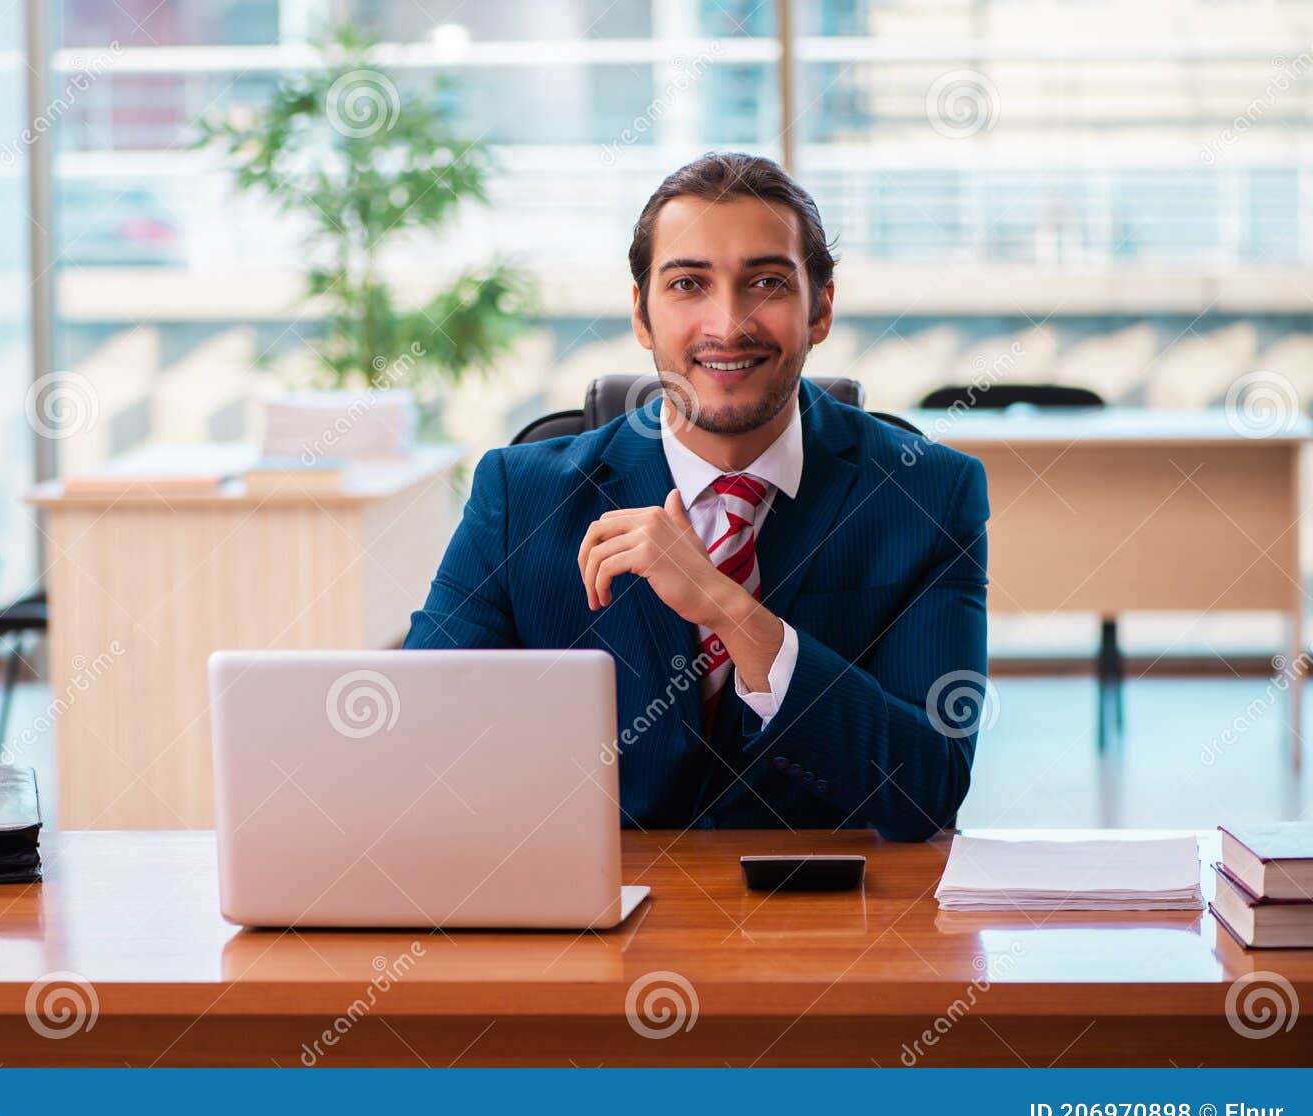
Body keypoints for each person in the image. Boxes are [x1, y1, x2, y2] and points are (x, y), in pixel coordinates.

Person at [404, 152, 989, 841]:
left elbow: (928, 789)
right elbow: (421, 748)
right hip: (590, 917)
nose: (728, 323)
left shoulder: (929, 493)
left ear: (821, 309)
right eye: (688, 284)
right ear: (642, 315)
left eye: (767, 282)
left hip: (828, 922)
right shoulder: (518, 497)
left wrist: (728, 609)